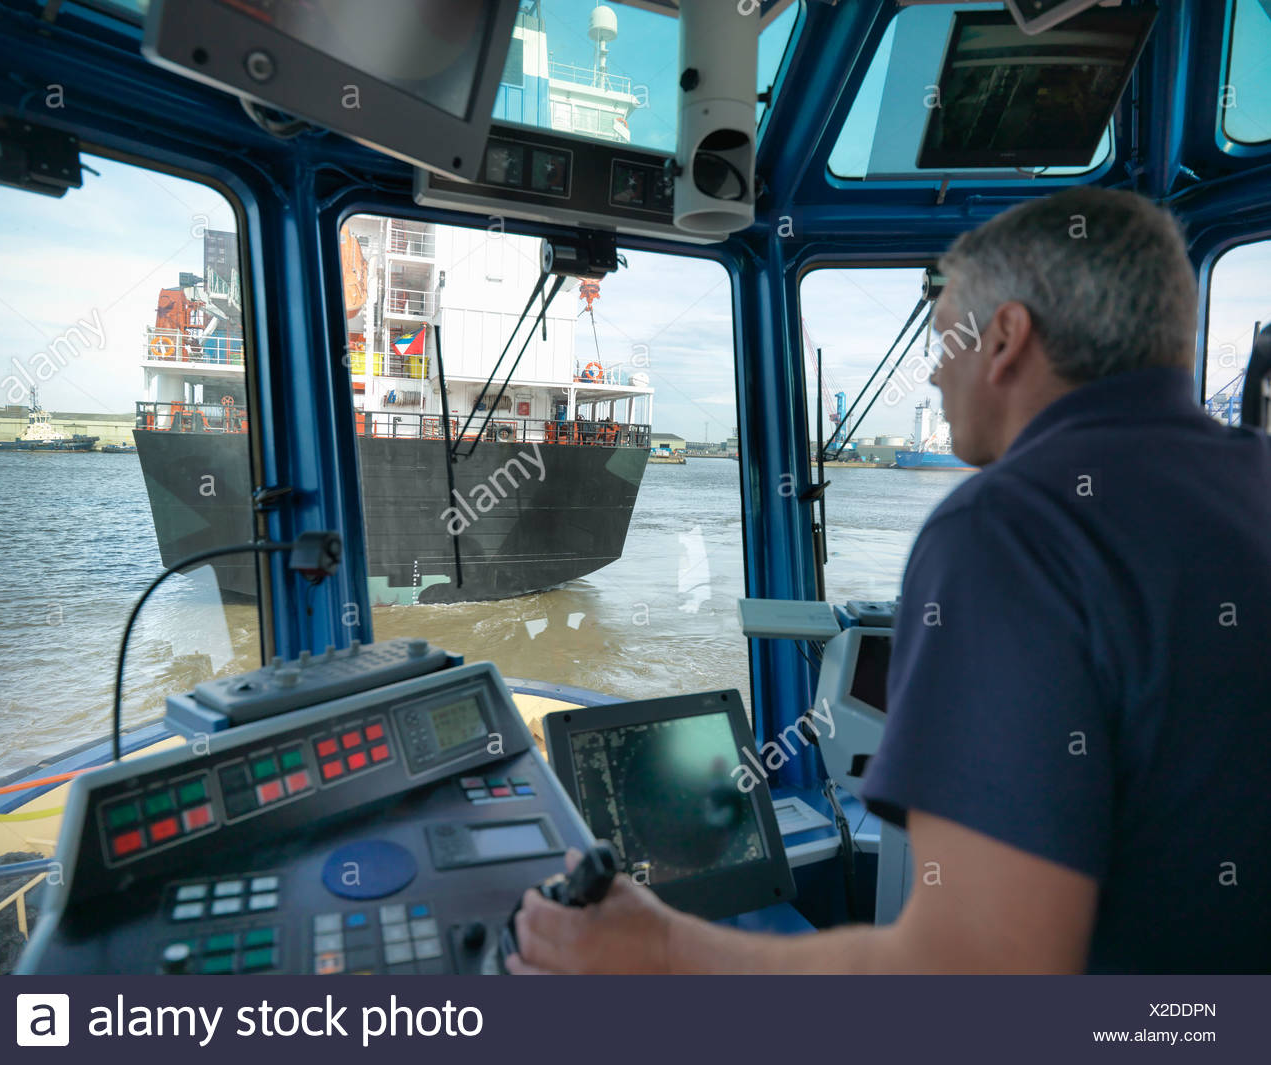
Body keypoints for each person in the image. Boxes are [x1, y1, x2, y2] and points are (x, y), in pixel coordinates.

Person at [506, 188, 1271, 974]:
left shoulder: (1010, 526)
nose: (936, 378)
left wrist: (659, 949)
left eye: (945, 344)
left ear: (1005, 337)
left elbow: (970, 981)